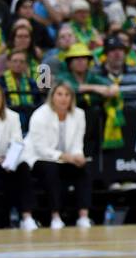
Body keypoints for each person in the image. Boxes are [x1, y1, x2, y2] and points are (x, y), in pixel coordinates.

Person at [26, 83, 92, 229]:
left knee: (84, 169)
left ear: (72, 98)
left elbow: (77, 142)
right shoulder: (40, 115)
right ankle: (55, 216)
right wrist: (63, 156)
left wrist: (78, 156)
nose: (64, 98)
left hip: (65, 159)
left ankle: (83, 216)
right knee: (51, 169)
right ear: (52, 96)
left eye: (67, 95)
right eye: (60, 94)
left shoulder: (79, 114)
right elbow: (40, 148)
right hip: (39, 158)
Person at [0, 81, 33, 229]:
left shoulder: (13, 117)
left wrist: (9, 159)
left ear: (2, 98)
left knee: (22, 167)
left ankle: (26, 216)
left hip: (7, 162)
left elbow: (17, 142)